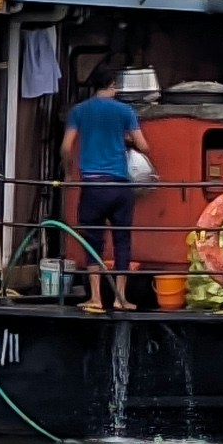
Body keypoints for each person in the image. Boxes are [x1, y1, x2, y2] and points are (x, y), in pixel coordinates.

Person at [62, 70, 152, 312]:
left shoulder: (79, 111)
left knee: (93, 242)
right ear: (112, 86)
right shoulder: (125, 111)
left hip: (92, 186)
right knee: (122, 242)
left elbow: (66, 146)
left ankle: (95, 298)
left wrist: (70, 172)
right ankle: (120, 298)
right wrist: (128, 142)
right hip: (120, 185)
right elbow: (144, 146)